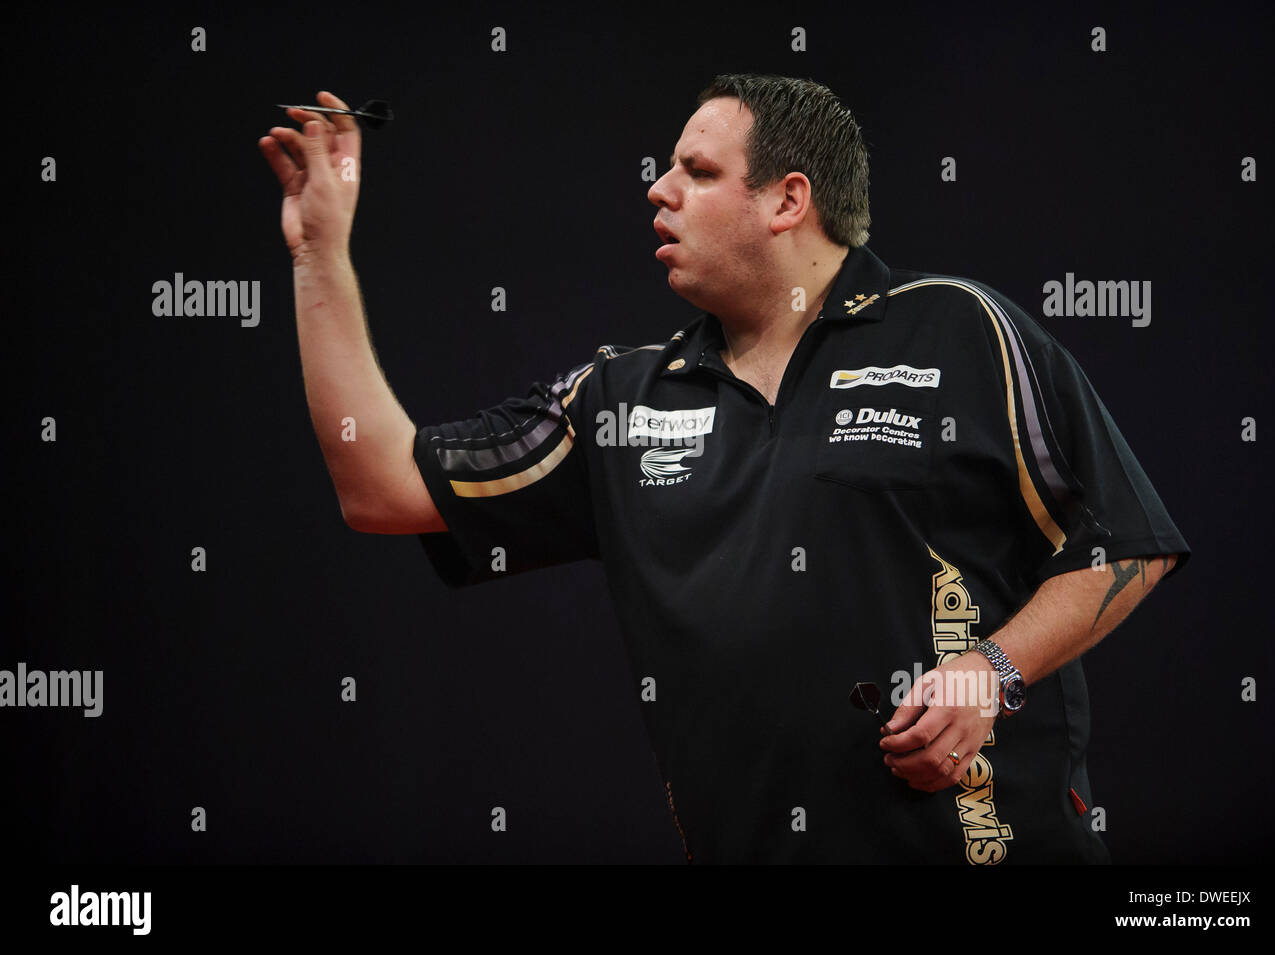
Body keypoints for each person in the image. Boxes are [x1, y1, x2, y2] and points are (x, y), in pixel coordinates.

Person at [259, 74, 1190, 864]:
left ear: (789, 199)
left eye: (696, 171)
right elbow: (380, 485)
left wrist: (992, 671)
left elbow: (1128, 543)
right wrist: (317, 253)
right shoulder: (621, 397)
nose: (658, 191)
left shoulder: (959, 328)